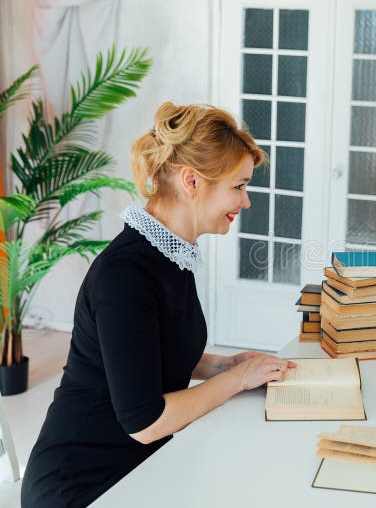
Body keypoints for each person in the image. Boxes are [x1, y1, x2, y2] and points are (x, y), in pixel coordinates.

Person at [21, 102, 295, 507]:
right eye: (238, 186)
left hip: (138, 468)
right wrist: (235, 381)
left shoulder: (170, 255)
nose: (246, 201)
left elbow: (152, 349)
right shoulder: (125, 274)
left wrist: (225, 365)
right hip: (81, 486)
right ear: (192, 181)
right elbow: (145, 422)